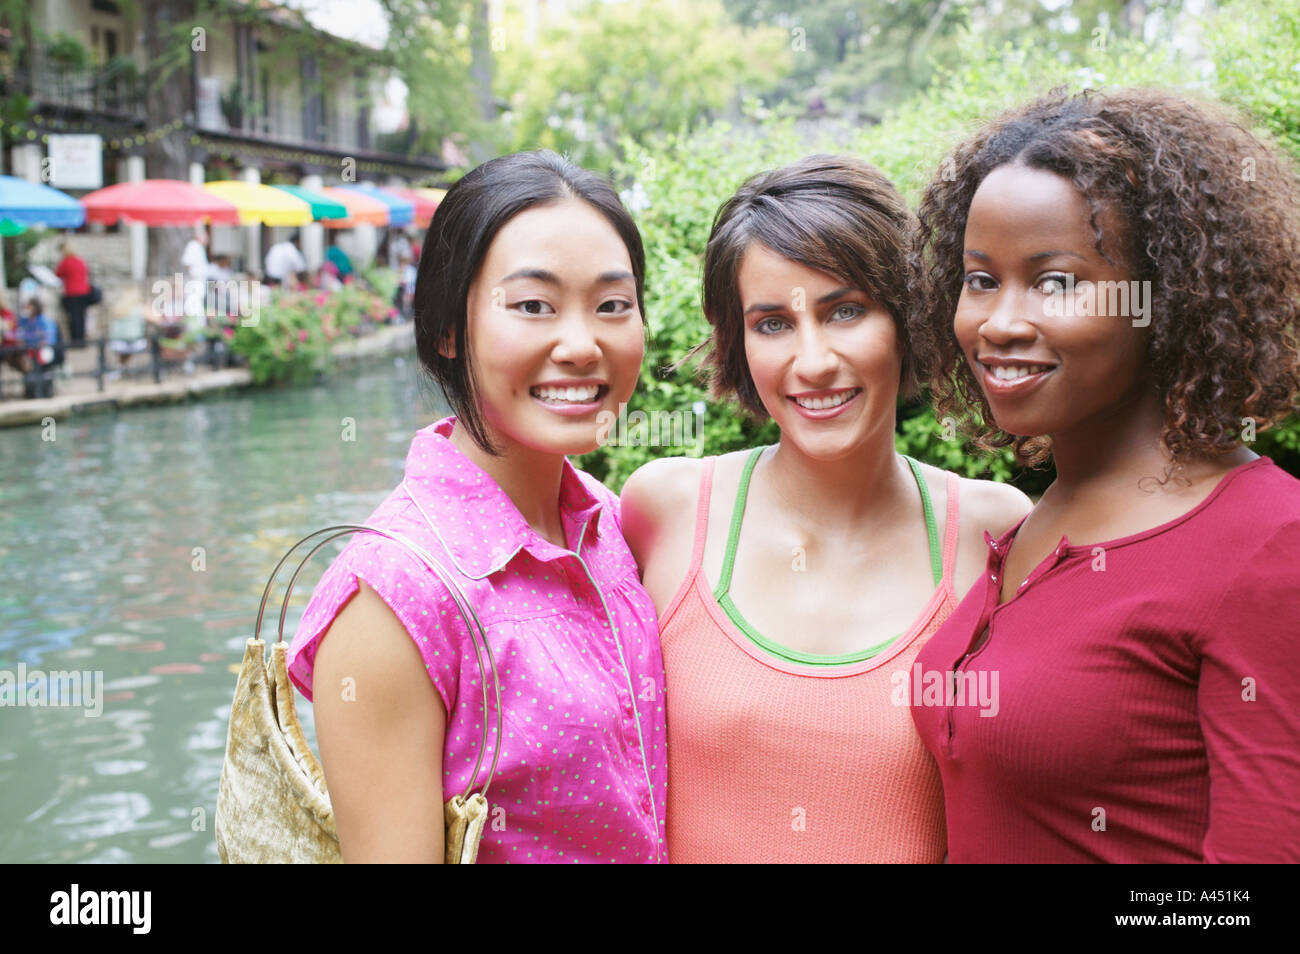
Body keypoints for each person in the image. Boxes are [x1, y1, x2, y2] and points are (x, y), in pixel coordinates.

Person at [906, 88, 1300, 863]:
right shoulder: (1031, 526)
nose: (1000, 322)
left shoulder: (1267, 544)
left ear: (1167, 300)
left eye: (1056, 281)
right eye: (980, 278)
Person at [619, 155, 1032, 863]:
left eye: (846, 311)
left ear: (905, 318)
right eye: (773, 323)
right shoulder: (665, 510)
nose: (813, 362)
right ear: (739, 341)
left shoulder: (996, 532)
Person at [286, 150, 667, 863]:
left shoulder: (613, 527)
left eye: (613, 305)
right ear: (447, 330)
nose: (583, 345)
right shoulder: (395, 598)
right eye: (533, 306)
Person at [55, 240, 95, 347]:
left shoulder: (66, 262)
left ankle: (76, 341)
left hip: (72, 293)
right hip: (84, 292)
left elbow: (58, 274)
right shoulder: (80, 261)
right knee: (81, 318)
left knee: (74, 319)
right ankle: (81, 340)